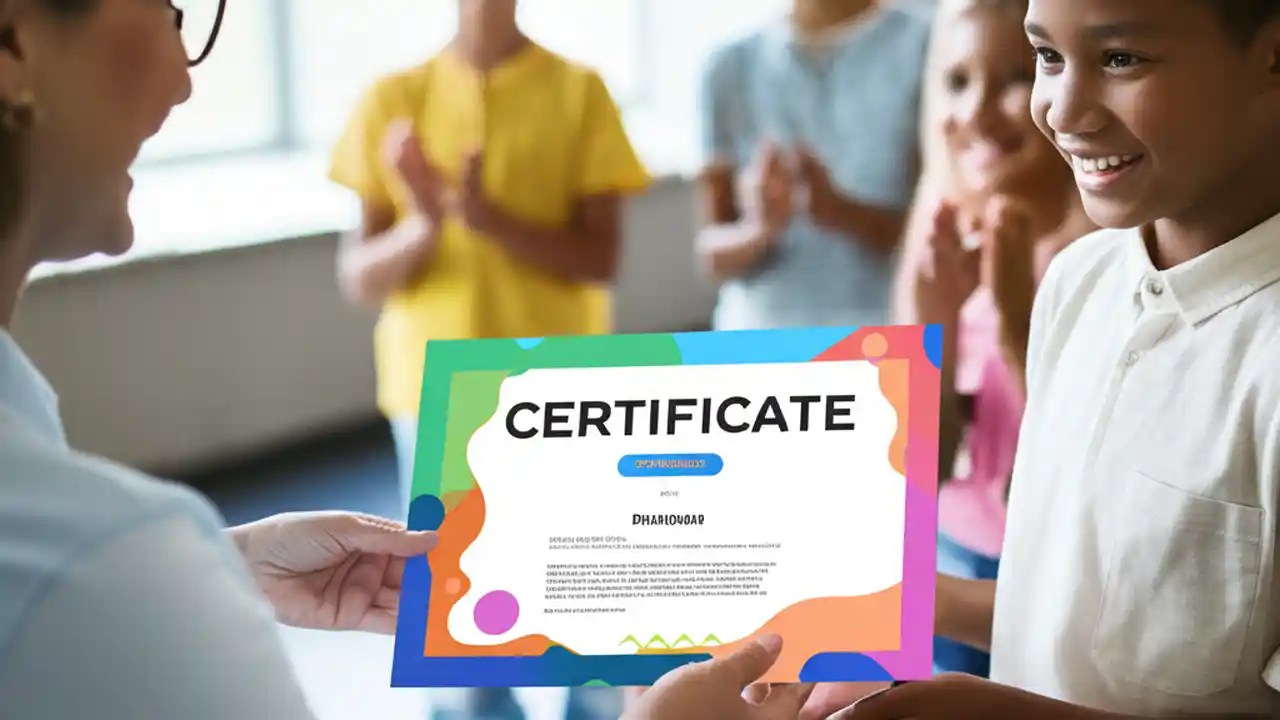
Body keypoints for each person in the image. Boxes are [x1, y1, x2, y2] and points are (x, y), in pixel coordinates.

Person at [804, 0, 1280, 716]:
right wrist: (875, 595)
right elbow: (1075, 621)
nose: (1060, 110)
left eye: (1121, 59)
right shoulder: (1077, 281)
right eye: (1048, 59)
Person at [0, 1, 437, 718]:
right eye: (167, 10)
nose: (183, 82)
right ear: (15, 42)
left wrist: (205, 568)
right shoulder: (89, 563)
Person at [328, 1, 648, 717]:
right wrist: (425, 223)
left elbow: (601, 258)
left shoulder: (580, 92)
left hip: (567, 394)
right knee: (454, 610)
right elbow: (359, 276)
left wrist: (489, 219)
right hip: (433, 394)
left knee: (582, 593)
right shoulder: (393, 98)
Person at [892, 0, 1093, 677]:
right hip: (948, 558)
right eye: (957, 82)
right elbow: (926, 466)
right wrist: (935, 332)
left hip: (1044, 584)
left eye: (1012, 77)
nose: (975, 113)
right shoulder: (945, 249)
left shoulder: (1100, 263)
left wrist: (1017, 322)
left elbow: (1082, 478)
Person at [695, 0, 931, 332]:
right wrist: (760, 229)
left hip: (884, 339)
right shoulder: (728, 66)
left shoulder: (928, 46)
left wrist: (842, 212)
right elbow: (713, 257)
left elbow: (945, 241)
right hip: (755, 340)